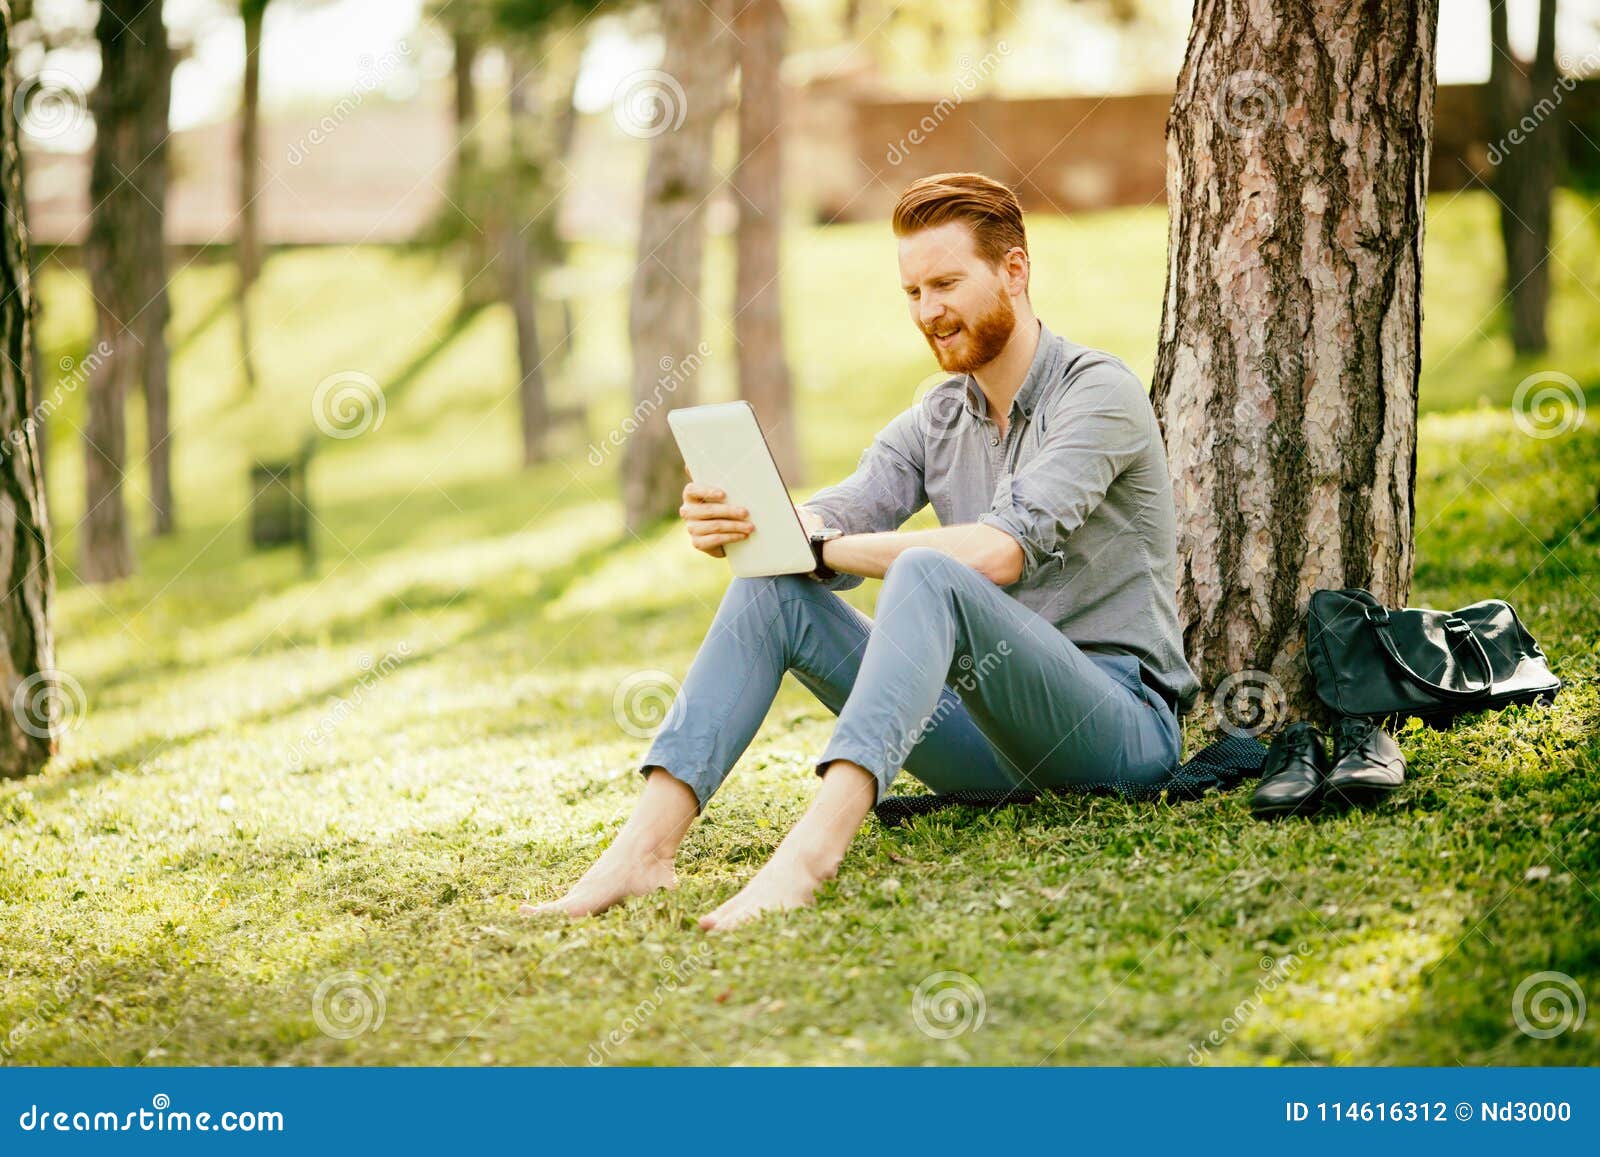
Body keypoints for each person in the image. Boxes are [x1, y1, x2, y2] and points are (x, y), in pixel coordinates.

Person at [523, 172, 1200, 930]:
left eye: (946, 282)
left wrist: (828, 543)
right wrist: (756, 525)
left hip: (1115, 731)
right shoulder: (940, 414)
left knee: (930, 569)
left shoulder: (1096, 393)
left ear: (1015, 270)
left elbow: (999, 552)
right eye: (913, 292)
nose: (929, 311)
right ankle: (643, 851)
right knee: (770, 587)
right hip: (988, 742)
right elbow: (840, 507)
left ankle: (809, 858)